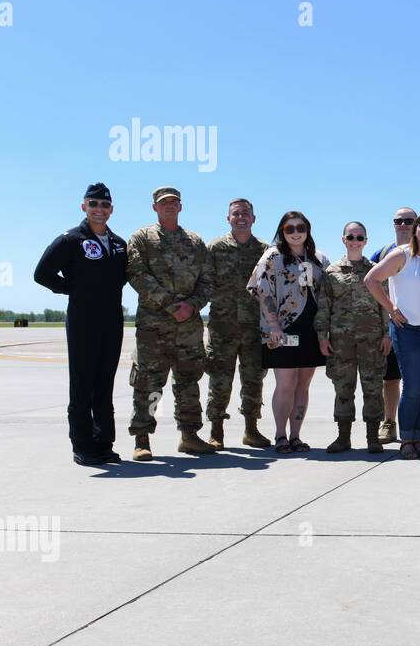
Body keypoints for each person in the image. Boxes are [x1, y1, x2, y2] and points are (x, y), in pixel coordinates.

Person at [34, 182, 129, 465]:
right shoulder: (70, 239)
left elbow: (121, 278)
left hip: (111, 321)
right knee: (82, 384)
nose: (99, 210)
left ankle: (103, 443)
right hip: (82, 321)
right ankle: (82, 445)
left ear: (111, 210)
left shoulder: (119, 244)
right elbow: (42, 273)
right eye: (93, 204)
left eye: (104, 205)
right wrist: (73, 288)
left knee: (104, 383)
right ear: (84, 207)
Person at [125, 186, 215, 461]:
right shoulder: (142, 238)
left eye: (174, 202)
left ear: (181, 206)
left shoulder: (195, 241)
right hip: (154, 326)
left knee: (189, 381)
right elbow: (136, 274)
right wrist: (170, 304)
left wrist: (192, 305)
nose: (169, 206)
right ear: (155, 207)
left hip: (188, 326)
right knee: (149, 382)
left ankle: (189, 435)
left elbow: (208, 280)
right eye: (164, 203)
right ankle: (142, 439)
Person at [365, 211, 420, 459]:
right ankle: (406, 440)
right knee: (412, 386)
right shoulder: (402, 255)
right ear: (416, 229)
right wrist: (392, 309)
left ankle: (418, 439)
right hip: (407, 330)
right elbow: (371, 279)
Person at [248, 211, 329, 454]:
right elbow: (260, 289)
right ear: (282, 232)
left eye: (300, 227)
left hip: (311, 330)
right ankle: (280, 435)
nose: (296, 232)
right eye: (289, 229)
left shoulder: (318, 259)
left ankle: (296, 435)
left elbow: (326, 294)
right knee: (285, 383)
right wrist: (273, 324)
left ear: (308, 229)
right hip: (283, 329)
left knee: (303, 384)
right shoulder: (273, 256)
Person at [317, 222, 390, 454]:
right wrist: (322, 336)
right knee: (343, 388)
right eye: (351, 236)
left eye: (360, 237)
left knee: (373, 387)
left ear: (366, 241)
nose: (355, 241)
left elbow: (386, 305)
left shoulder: (376, 270)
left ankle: (372, 437)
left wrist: (388, 334)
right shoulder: (332, 272)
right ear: (343, 240)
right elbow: (324, 306)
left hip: (372, 339)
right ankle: (343, 437)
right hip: (341, 341)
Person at [205, 198, 270, 450]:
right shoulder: (215, 248)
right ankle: (216, 431)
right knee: (220, 380)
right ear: (228, 218)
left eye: (245, 214)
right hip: (223, 327)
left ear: (254, 218)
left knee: (254, 379)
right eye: (235, 214)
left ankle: (251, 429)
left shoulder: (265, 250)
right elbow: (205, 281)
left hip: (255, 328)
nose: (240, 218)